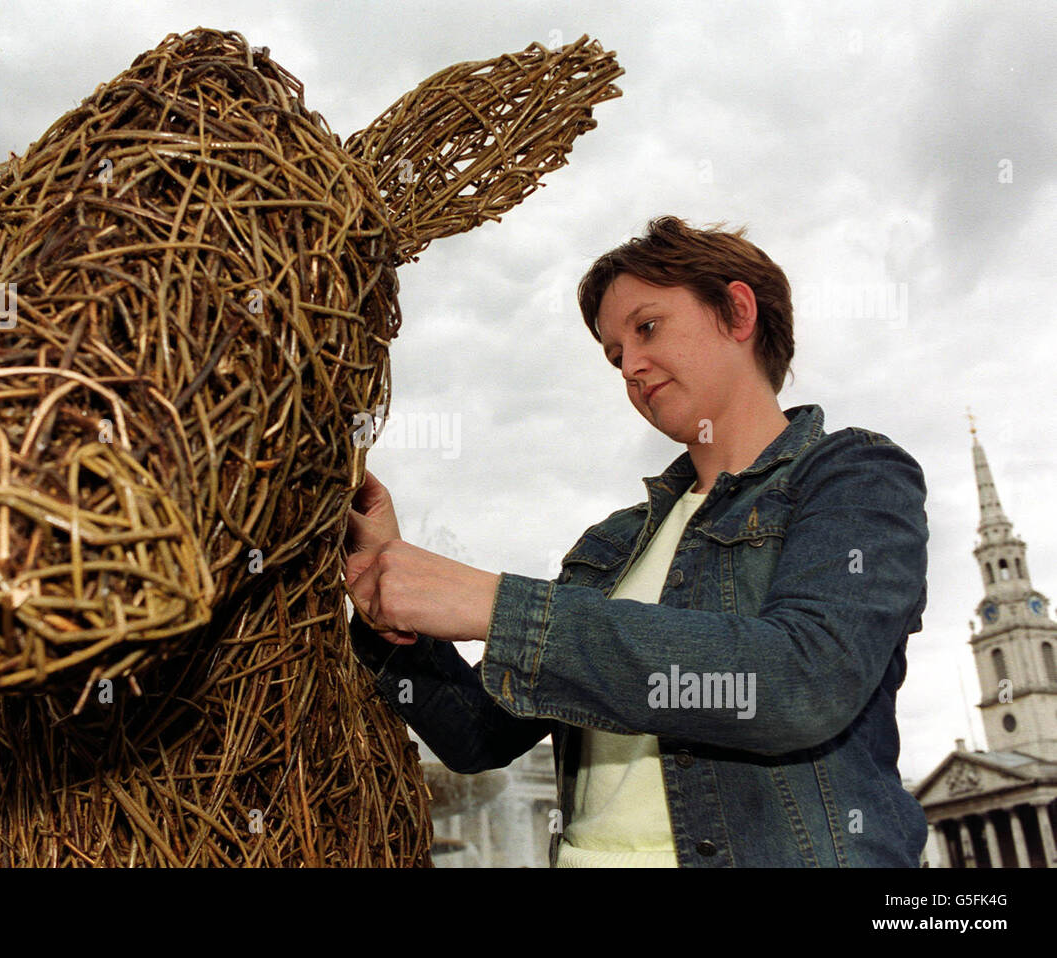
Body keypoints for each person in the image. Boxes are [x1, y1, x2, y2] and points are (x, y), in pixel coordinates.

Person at [343, 215, 930, 867]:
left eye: (646, 327)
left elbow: (801, 681)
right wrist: (383, 594)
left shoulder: (855, 475)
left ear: (738, 313)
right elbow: (480, 738)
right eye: (615, 354)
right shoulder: (611, 543)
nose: (632, 367)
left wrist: (496, 606)